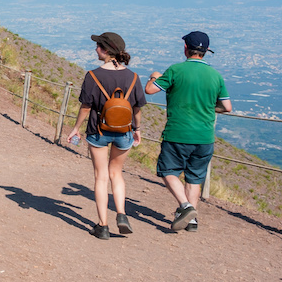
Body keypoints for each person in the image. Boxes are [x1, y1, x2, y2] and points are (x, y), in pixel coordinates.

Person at [145, 31, 231, 233]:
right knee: (194, 178)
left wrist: (154, 77)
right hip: (205, 137)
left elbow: (150, 90)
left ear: (186, 48)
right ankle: (191, 221)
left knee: (168, 171)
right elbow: (227, 107)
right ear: (205, 52)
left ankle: (186, 207)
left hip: (178, 133)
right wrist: (210, 108)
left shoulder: (175, 70)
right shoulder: (215, 75)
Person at [64, 33, 146, 239]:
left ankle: (103, 226)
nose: (95, 50)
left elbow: (85, 107)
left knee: (101, 177)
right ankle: (121, 214)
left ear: (106, 50)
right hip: (124, 132)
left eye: (98, 46)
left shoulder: (93, 76)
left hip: (98, 132)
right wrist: (137, 129)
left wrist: (76, 128)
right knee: (116, 174)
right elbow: (137, 108)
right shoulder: (133, 77)